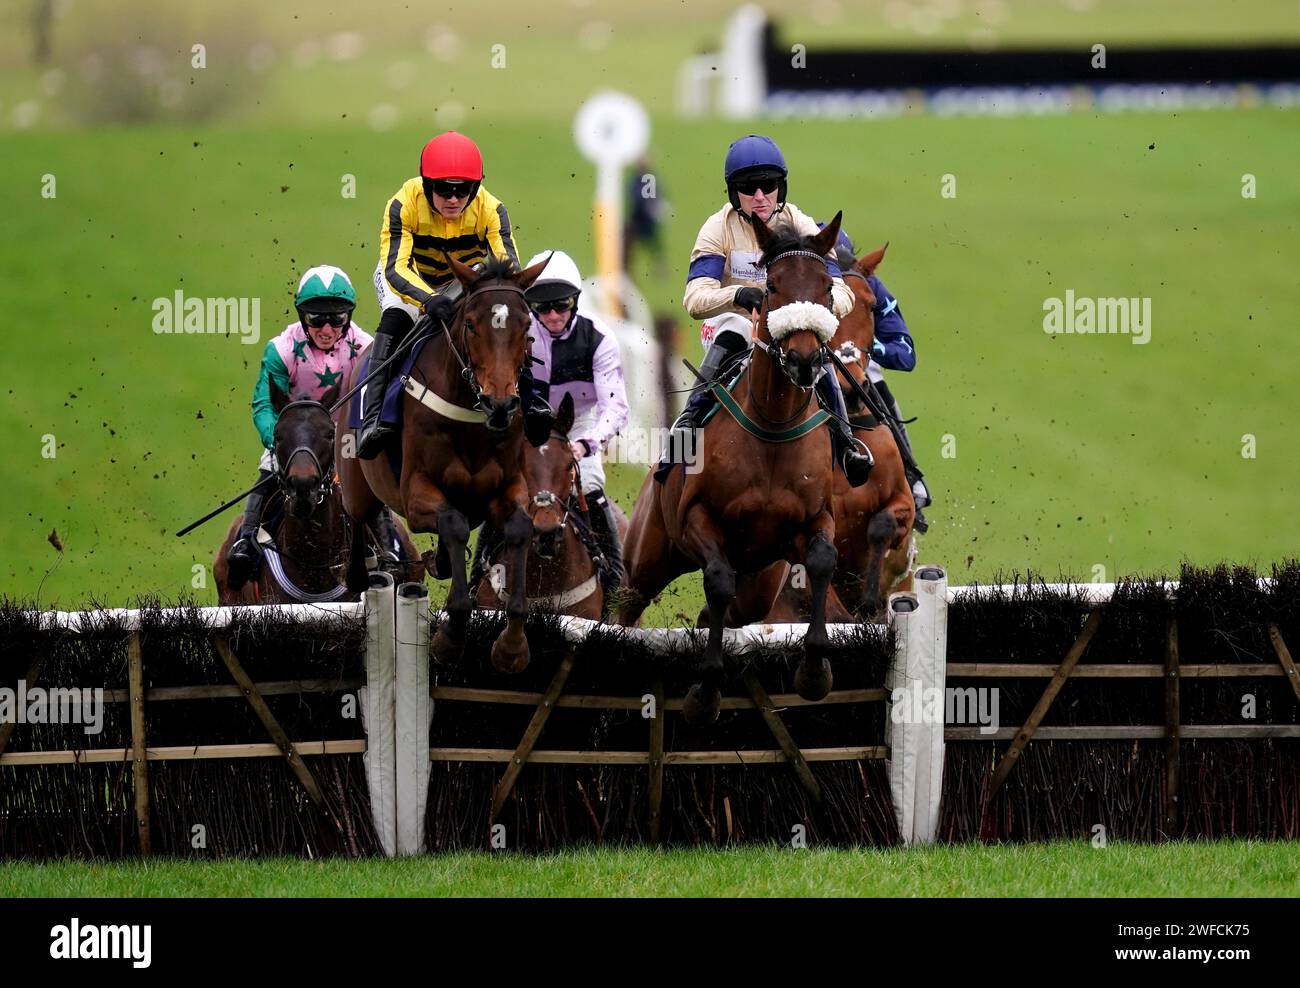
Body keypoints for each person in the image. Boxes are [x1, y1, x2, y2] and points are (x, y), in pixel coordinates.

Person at [661, 134, 873, 487]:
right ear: (734, 193)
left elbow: (841, 290)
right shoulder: (717, 229)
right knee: (738, 328)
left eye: (768, 186)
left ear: (781, 187)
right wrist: (738, 295)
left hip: (789, 327)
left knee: (813, 347)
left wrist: (822, 309)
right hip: (734, 325)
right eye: (749, 188)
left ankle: (846, 442)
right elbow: (695, 298)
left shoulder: (804, 226)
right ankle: (686, 425)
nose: (760, 196)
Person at [356, 130, 553, 458]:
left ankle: (533, 403)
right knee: (396, 323)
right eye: (443, 189)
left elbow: (508, 269)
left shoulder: (492, 210)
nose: (453, 199)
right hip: (408, 277)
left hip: (462, 279)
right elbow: (395, 269)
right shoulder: (402, 205)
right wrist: (428, 300)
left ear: (475, 188)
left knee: (500, 322)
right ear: (426, 184)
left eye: (463, 190)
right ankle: (372, 418)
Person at [473, 251, 630, 602]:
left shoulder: (599, 338)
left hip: (581, 423)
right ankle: (478, 572)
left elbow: (616, 406)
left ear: (574, 302)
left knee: (588, 480)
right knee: (504, 483)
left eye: (561, 306)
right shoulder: (520, 334)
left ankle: (614, 578)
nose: (553, 316)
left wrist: (587, 444)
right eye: (543, 309)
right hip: (530, 422)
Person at [226, 265, 372, 588]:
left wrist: (354, 438)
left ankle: (389, 548)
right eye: (316, 319)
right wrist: (277, 441)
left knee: (371, 488)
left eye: (336, 319)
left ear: (348, 316)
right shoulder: (280, 350)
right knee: (267, 478)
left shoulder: (365, 349)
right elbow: (264, 404)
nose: (326, 328)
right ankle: (245, 543)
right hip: (295, 443)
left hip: (344, 440)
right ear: (302, 316)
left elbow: (371, 402)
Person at [830, 229, 932, 532]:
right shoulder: (809, 280)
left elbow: (906, 354)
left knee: (872, 377)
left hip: (855, 364)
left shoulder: (870, 285)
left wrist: (861, 347)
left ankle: (912, 477)